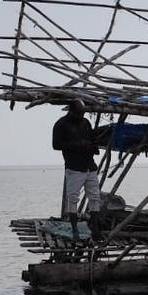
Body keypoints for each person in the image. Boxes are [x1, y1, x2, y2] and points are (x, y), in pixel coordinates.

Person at [51, 99, 104, 240]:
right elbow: (56, 145)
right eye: (79, 113)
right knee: (73, 198)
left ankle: (96, 230)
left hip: (89, 165)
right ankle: (75, 230)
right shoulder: (61, 124)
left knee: (95, 197)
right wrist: (78, 145)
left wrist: (92, 146)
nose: (81, 116)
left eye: (82, 113)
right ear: (72, 111)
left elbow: (92, 139)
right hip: (74, 167)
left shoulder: (85, 123)